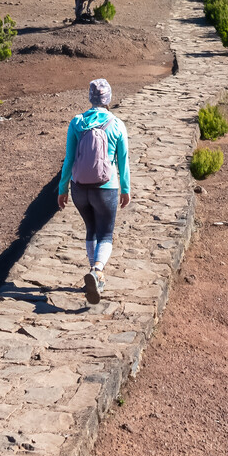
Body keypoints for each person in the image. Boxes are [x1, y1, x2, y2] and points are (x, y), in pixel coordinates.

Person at [57, 78, 130, 304]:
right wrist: (125, 188)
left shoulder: (77, 122)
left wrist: (62, 189)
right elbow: (123, 160)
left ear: (90, 97)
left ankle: (93, 270)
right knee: (106, 233)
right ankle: (97, 270)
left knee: (91, 229)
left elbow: (69, 159)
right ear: (108, 98)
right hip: (106, 187)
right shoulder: (116, 124)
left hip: (80, 188)